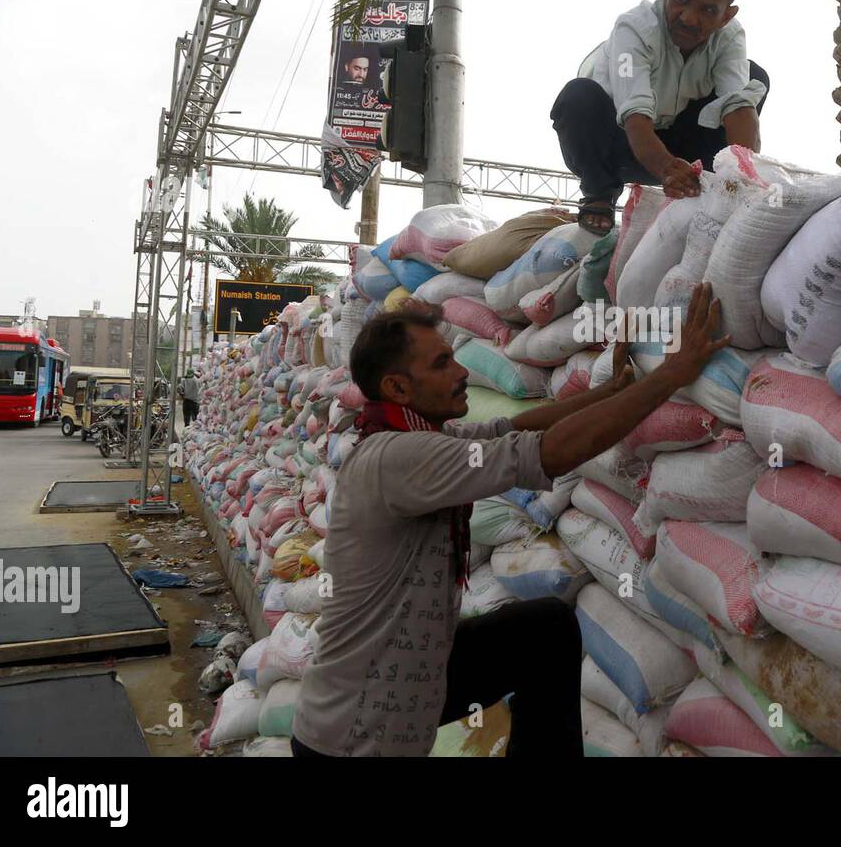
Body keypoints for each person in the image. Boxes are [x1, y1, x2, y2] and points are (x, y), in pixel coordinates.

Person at [291, 285, 730, 757]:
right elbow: (551, 452)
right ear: (398, 387)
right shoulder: (400, 457)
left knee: (543, 630)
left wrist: (610, 391)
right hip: (355, 733)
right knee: (541, 631)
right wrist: (670, 376)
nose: (461, 371)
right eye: (441, 364)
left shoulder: (426, 437)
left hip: (417, 674)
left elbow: (518, 428)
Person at [551, 0, 770, 235]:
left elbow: (737, 108)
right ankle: (599, 193)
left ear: (727, 16)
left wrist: (744, 180)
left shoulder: (729, 38)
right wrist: (667, 168)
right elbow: (635, 116)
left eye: (707, 10)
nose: (690, 18)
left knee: (754, 78)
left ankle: (714, 191)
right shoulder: (634, 30)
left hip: (681, 148)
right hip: (622, 143)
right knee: (577, 96)